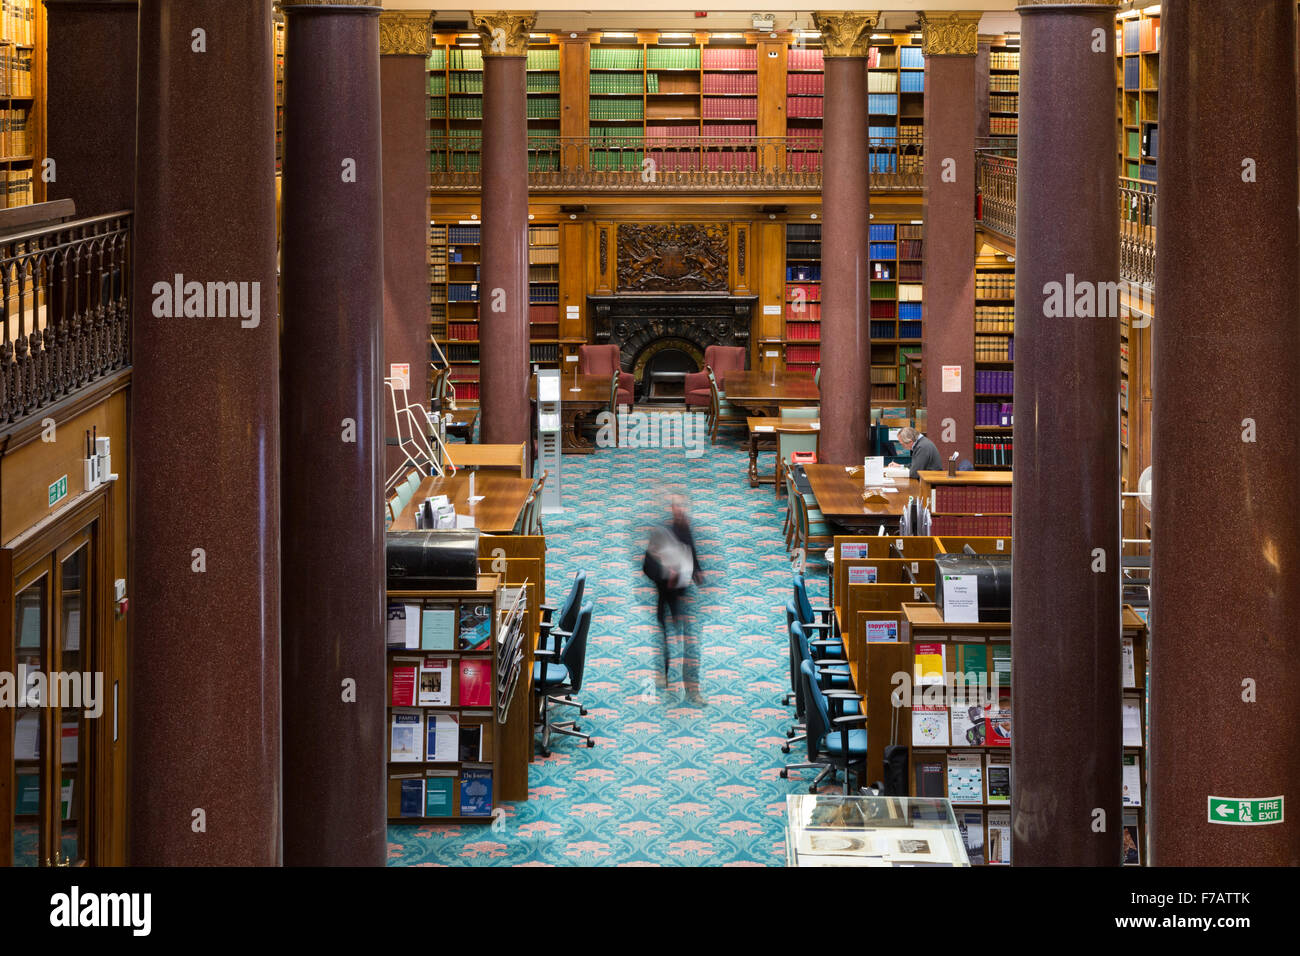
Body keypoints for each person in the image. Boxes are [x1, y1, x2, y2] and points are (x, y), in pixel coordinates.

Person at [642, 495, 705, 702]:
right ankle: (664, 674)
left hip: (685, 594)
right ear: (671, 509)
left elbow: (692, 552)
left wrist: (698, 572)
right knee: (665, 636)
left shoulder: (686, 529)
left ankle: (692, 690)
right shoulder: (660, 533)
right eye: (677, 507)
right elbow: (647, 566)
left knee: (690, 642)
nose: (681, 511)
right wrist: (665, 574)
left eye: (684, 507)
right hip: (665, 593)